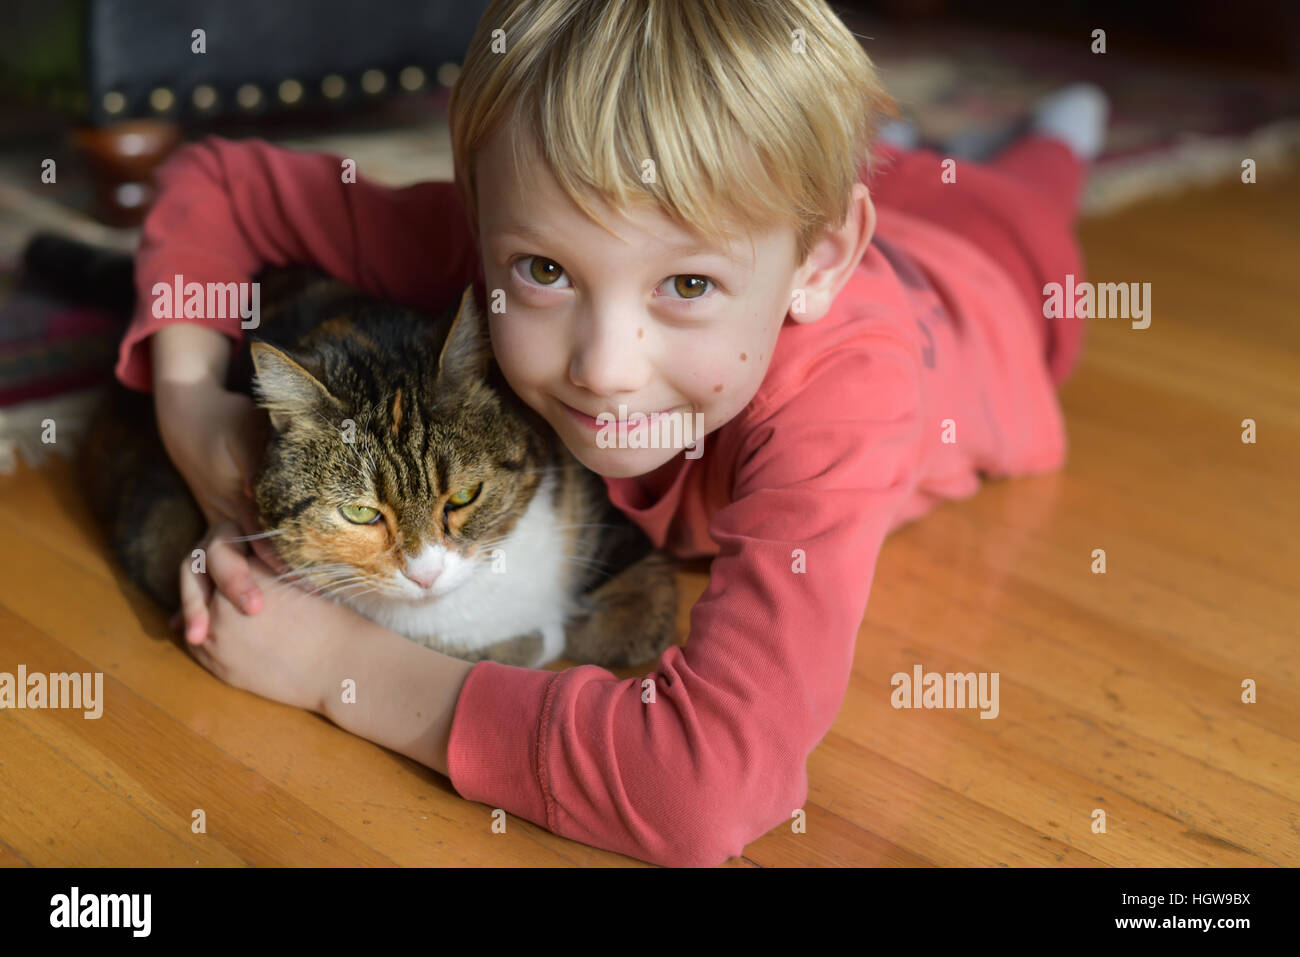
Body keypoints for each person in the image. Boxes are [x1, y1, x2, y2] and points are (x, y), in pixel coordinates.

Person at [117, 0, 1107, 867]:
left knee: (1025, 195)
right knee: (877, 168)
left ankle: (1052, 137)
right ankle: (907, 165)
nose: (604, 365)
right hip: (828, 221)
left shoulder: (848, 399)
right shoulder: (532, 219)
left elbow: (706, 790)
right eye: (546, 274)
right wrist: (191, 403)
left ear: (820, 263)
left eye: (686, 285)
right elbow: (215, 183)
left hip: (988, 293)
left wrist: (338, 670)